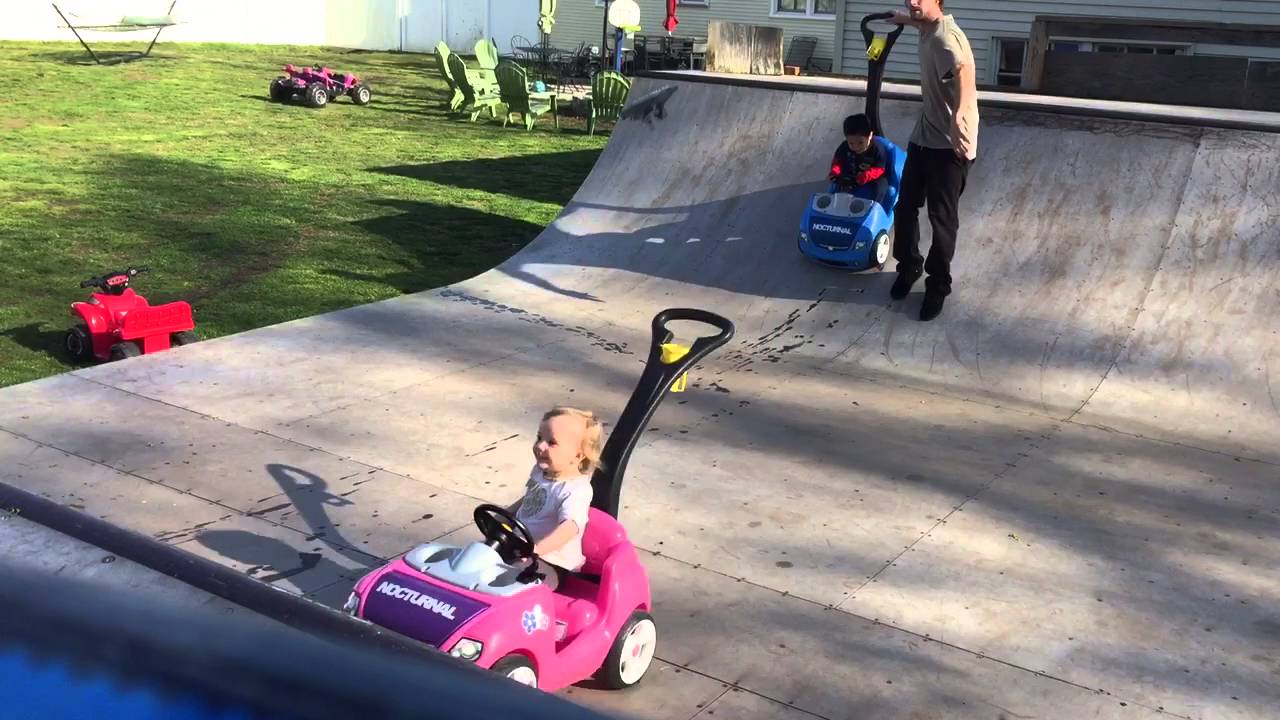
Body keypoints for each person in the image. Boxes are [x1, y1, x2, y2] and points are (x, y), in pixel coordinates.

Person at [889, 0, 979, 321]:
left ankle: (938, 284)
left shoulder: (944, 39)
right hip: (924, 136)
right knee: (905, 206)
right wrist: (902, 18)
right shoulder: (929, 28)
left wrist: (959, 119)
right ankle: (909, 264)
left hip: (949, 147)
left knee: (942, 219)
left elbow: (965, 72)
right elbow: (923, 21)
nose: (912, 2)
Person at [507, 406, 602, 589]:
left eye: (551, 442)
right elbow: (531, 500)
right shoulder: (541, 472)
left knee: (511, 580)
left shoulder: (576, 490)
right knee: (478, 556)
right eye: (539, 437)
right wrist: (505, 513)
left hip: (553, 562)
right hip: (523, 549)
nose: (539, 445)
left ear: (577, 455)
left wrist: (537, 550)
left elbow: (570, 527)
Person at [828, 113, 889, 203]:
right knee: (836, 185)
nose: (856, 147)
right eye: (851, 143)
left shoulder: (877, 149)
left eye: (860, 142)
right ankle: (836, 205)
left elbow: (880, 168)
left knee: (881, 187)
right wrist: (835, 171)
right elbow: (837, 161)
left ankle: (875, 207)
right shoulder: (844, 146)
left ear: (870, 136)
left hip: (872, 176)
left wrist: (867, 175)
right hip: (852, 174)